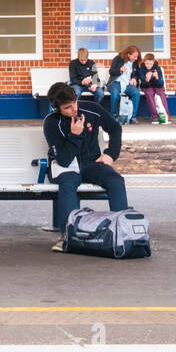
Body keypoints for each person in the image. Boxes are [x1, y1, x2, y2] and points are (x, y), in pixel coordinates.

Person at [42, 81, 130, 251]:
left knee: (116, 181)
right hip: (64, 166)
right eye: (67, 107)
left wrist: (110, 154)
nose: (74, 109)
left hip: (92, 162)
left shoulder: (91, 109)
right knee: (68, 184)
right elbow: (64, 160)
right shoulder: (52, 123)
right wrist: (75, 135)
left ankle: (122, 232)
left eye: (74, 102)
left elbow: (115, 128)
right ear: (56, 108)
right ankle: (68, 236)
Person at [106, 44, 142, 119]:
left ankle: (133, 117)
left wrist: (134, 78)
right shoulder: (118, 58)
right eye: (134, 56)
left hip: (128, 84)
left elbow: (137, 73)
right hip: (116, 83)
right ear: (128, 54)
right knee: (115, 95)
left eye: (137, 57)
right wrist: (120, 70)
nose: (136, 58)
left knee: (136, 93)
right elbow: (111, 71)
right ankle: (113, 116)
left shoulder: (135, 62)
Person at [138, 53, 171, 124]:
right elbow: (143, 84)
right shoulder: (141, 69)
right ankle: (155, 116)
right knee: (150, 94)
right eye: (147, 63)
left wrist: (157, 77)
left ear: (153, 62)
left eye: (150, 64)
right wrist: (147, 79)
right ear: (144, 62)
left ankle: (166, 115)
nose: (148, 66)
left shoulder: (157, 69)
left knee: (161, 94)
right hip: (147, 86)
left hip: (157, 86)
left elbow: (161, 84)